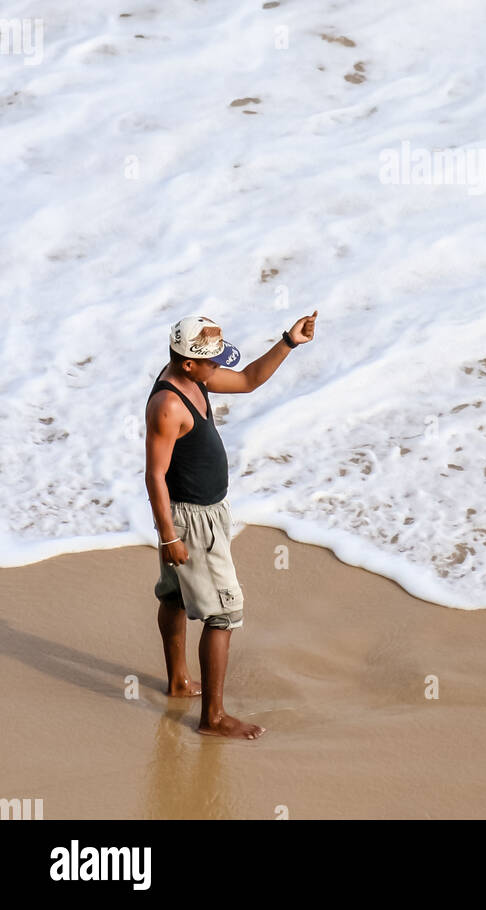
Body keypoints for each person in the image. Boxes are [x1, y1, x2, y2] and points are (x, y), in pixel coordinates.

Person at [144, 311, 317, 739]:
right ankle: (213, 718)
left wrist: (288, 342)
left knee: (175, 596)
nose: (220, 367)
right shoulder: (168, 404)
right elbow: (154, 475)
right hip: (190, 522)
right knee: (223, 614)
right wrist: (170, 536)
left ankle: (180, 681)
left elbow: (250, 379)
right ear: (188, 363)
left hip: (203, 514)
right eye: (213, 361)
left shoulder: (195, 380)